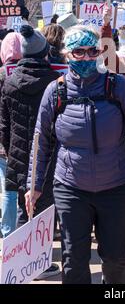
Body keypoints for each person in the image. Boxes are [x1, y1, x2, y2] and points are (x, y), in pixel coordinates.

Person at [25, 25, 125, 284]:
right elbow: (40, 141)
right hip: (70, 187)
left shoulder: (118, 86)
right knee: (73, 260)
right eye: (79, 52)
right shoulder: (55, 91)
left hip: (116, 186)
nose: (87, 58)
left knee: (115, 259)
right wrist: (33, 186)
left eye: (92, 51)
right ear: (67, 54)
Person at [0, 25, 60, 278]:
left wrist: (11, 149)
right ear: (44, 53)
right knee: (46, 208)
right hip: (49, 155)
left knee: (26, 207)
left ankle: (25, 265)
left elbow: (3, 125)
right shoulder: (55, 82)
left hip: (18, 154)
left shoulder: (10, 82)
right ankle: (39, 264)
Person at [0, 32, 23, 237]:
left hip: (2, 141)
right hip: (21, 138)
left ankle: (8, 234)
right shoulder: (25, 73)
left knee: (8, 190)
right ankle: (22, 236)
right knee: (22, 191)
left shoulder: (1, 74)